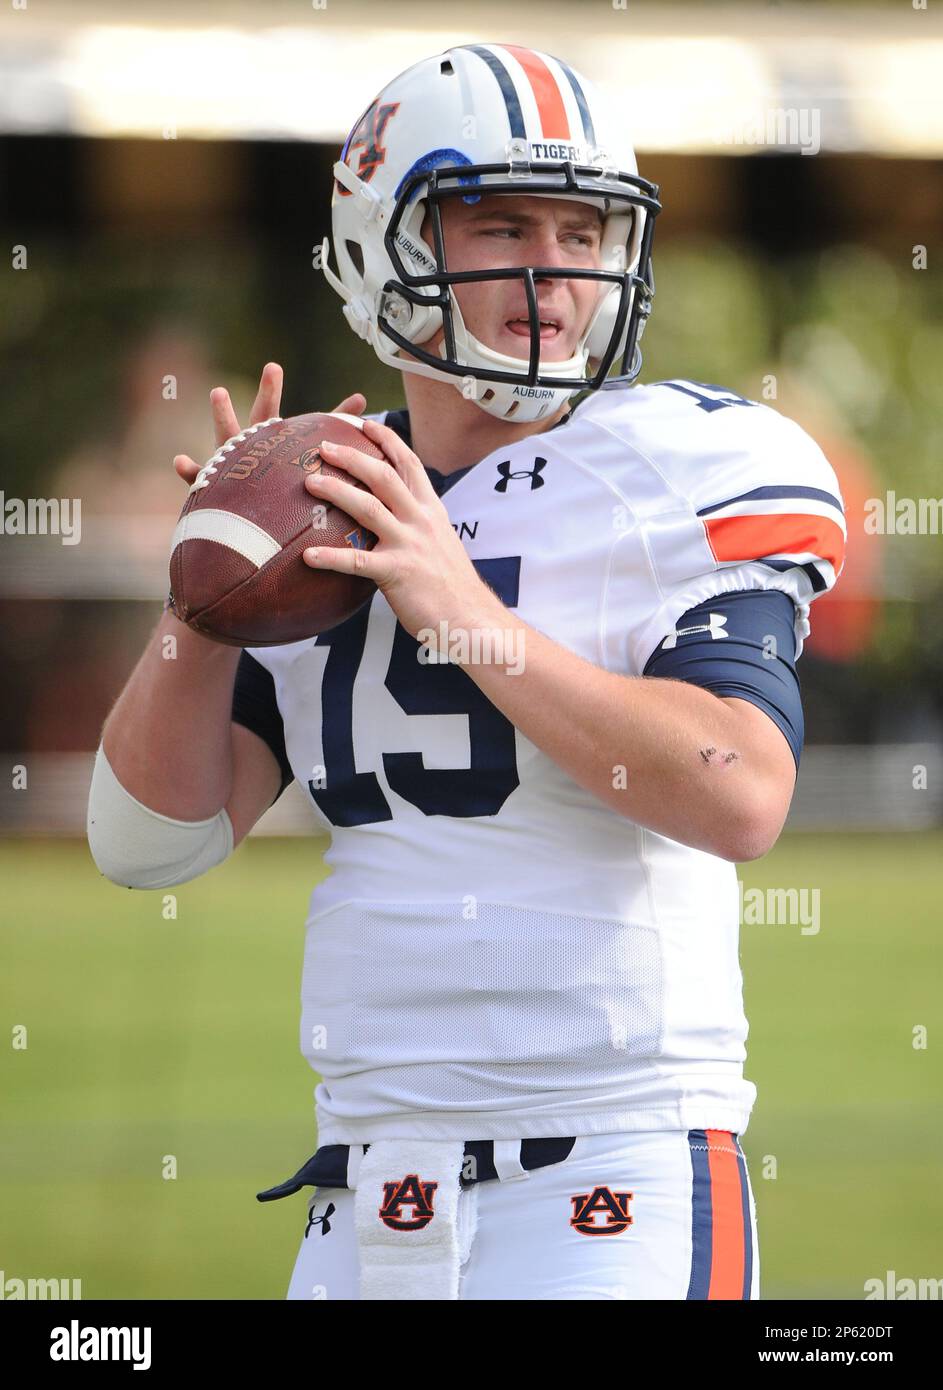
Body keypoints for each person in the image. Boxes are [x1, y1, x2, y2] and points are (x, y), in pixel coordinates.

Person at [87, 44, 846, 1300]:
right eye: (500, 226)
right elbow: (146, 842)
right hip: (364, 1179)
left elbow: (740, 793)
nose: (551, 272)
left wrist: (463, 614)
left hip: (616, 1172)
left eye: (584, 230)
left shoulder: (674, 467)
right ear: (382, 243)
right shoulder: (336, 500)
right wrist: (203, 605)